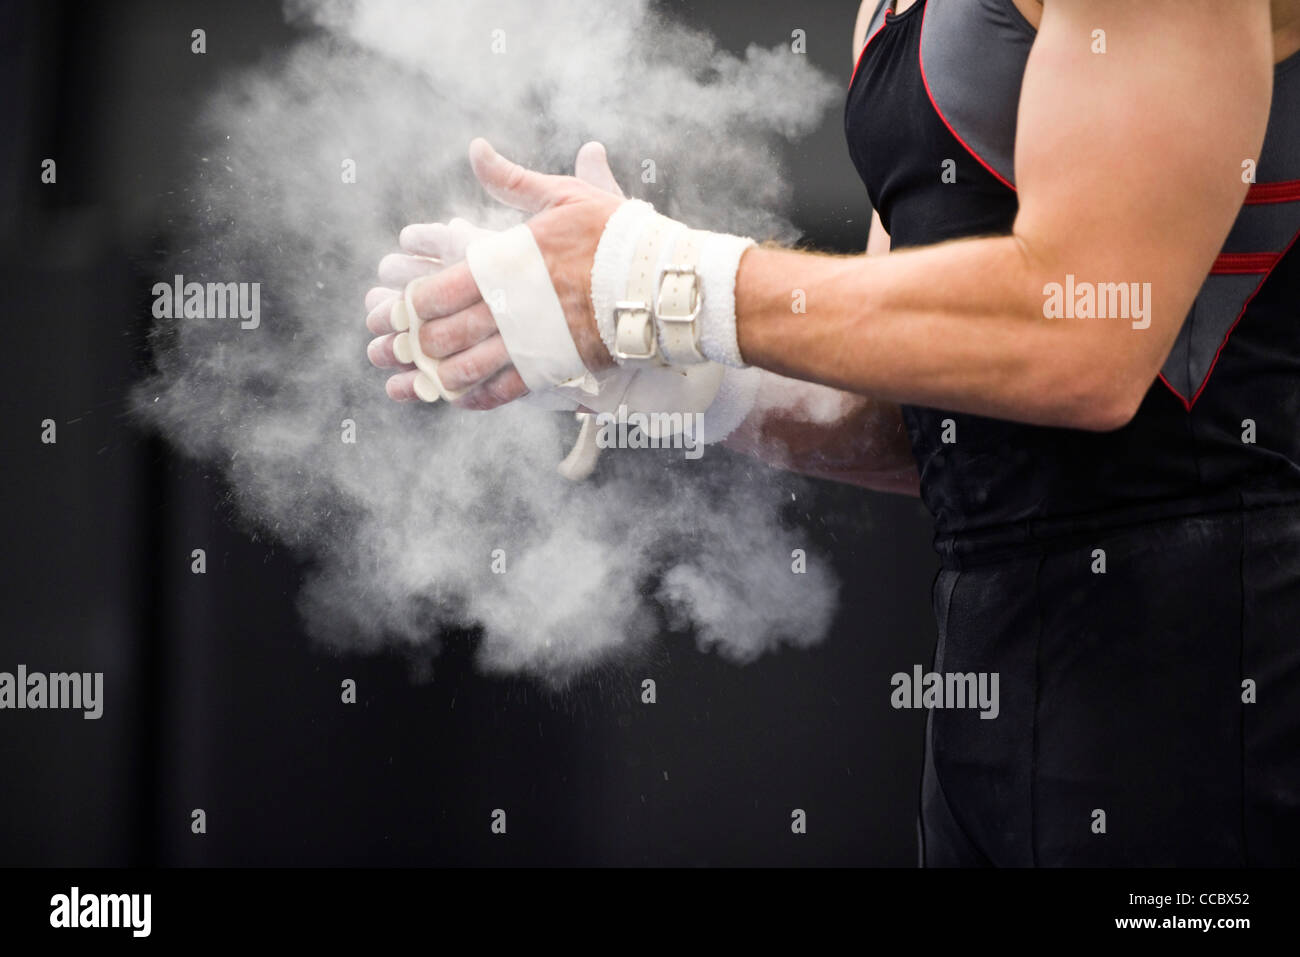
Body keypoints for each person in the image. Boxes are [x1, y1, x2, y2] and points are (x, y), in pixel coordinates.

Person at [365, 0, 1300, 866]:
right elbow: (922, 407)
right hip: (992, 670)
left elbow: (1085, 341)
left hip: (1214, 653)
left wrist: (658, 280)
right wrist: (671, 369)